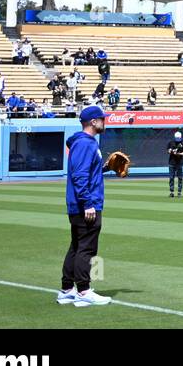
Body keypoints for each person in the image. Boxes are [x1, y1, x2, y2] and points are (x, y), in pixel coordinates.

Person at [57, 105, 112, 307]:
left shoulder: (84, 143)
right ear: (93, 122)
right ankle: (83, 291)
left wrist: (105, 167)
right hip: (86, 205)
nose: (105, 122)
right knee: (86, 248)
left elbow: (88, 173)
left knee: (77, 246)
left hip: (82, 203)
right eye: (102, 119)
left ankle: (66, 290)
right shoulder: (85, 143)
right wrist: (88, 203)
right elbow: (80, 176)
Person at [167, 131, 183, 198]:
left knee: (180, 178)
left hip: (179, 163)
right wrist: (172, 151)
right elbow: (168, 150)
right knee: (171, 177)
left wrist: (179, 154)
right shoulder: (171, 142)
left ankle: (179, 192)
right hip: (171, 163)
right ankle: (171, 192)